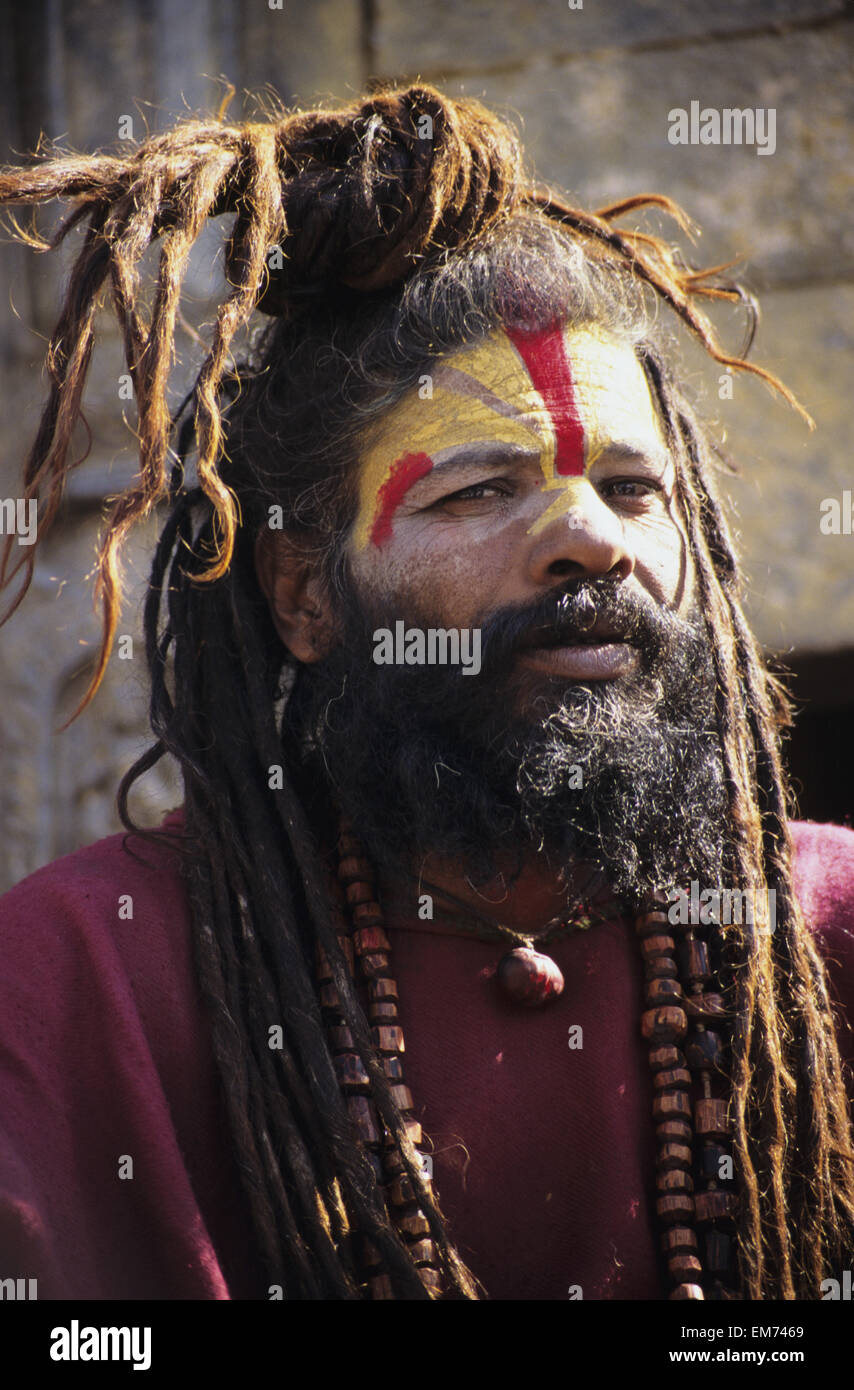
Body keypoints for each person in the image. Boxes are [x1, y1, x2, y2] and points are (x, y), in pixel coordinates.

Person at [1, 82, 853, 1302]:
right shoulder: (70, 978)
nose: (589, 539)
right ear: (303, 594)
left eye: (630, 488)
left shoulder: (827, 929)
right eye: (476, 491)